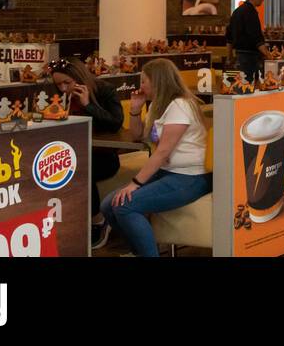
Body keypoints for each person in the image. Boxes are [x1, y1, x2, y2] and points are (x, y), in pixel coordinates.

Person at [100, 58, 211, 257]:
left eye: (144, 81)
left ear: (157, 81)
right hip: (167, 173)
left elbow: (162, 151)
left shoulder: (181, 105)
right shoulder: (158, 105)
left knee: (125, 206)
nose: (140, 85)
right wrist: (135, 110)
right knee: (108, 205)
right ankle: (141, 252)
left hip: (190, 177)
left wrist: (135, 183)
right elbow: (138, 137)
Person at [49, 56, 125, 249]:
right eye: (59, 84)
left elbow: (116, 124)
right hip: (71, 153)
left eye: (67, 82)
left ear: (79, 77)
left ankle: (98, 220)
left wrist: (88, 105)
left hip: (104, 157)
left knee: (80, 168)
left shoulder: (104, 90)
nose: (63, 88)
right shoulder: (59, 96)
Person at [225, 0, 268, 81]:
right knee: (250, 85)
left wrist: (229, 56)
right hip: (250, 57)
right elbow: (255, 36)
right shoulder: (251, 12)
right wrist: (267, 54)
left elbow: (229, 36)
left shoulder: (236, 12)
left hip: (239, 55)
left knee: (240, 85)